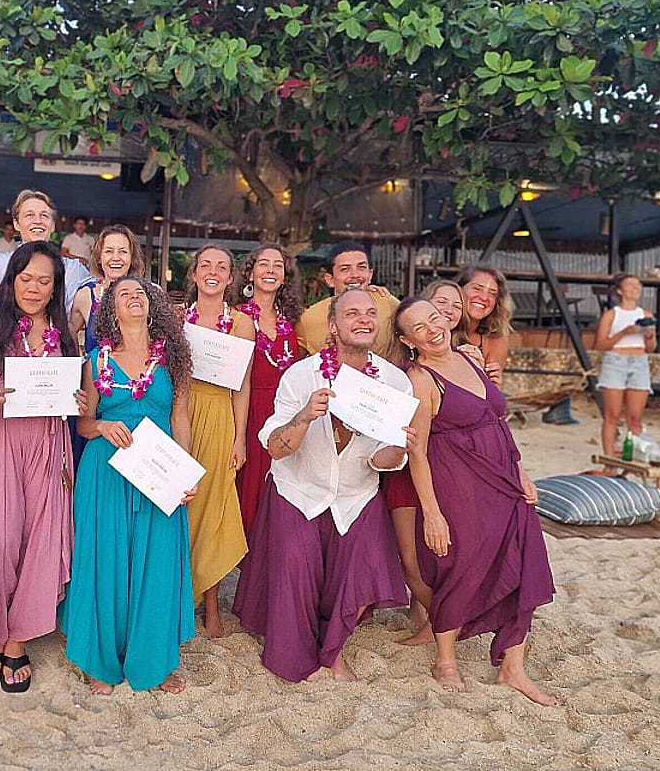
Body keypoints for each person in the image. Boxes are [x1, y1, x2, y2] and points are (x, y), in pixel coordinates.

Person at [233, 289, 410, 683]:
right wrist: (304, 416)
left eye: (369, 313)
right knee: (296, 563)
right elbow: (277, 449)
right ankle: (296, 653)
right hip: (299, 489)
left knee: (356, 571)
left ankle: (334, 651)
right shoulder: (300, 374)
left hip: (355, 493)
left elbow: (384, 461)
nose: (363, 320)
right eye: (352, 314)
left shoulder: (394, 383)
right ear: (333, 325)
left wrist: (398, 448)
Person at [395, 296, 557, 705]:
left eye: (434, 319)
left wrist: (520, 471)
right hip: (457, 481)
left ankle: (512, 668)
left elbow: (497, 421)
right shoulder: (420, 378)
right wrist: (431, 514)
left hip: (503, 476)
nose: (432, 329)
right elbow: (417, 452)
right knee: (462, 565)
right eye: (419, 328)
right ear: (407, 339)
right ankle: (445, 660)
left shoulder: (470, 358)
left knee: (523, 562)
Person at [0, 241, 77, 693]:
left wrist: (79, 399)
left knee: (40, 537)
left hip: (48, 442)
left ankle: (18, 638)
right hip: (0, 438)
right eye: (26, 278)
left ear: (55, 285)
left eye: (45, 280)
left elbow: (76, 386)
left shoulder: (64, 331)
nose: (34, 288)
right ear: (13, 279)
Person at [60, 277, 196, 695]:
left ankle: (153, 661)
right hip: (106, 472)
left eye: (141, 293)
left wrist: (183, 474)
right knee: (105, 564)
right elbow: (82, 424)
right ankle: (100, 661)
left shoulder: (174, 359)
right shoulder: (95, 360)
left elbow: (181, 419)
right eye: (125, 294)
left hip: (158, 472)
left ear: (153, 305)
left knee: (156, 564)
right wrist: (101, 424)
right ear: (110, 310)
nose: (135, 298)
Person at [384, 279, 478, 645]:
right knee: (411, 559)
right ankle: (445, 621)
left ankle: (441, 624)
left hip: (449, 472)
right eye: (440, 304)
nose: (448, 312)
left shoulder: (469, 359)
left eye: (453, 307)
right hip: (407, 467)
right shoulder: (403, 371)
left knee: (446, 556)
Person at [181, 245, 251, 637]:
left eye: (221, 267)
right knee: (182, 505)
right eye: (205, 264)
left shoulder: (241, 324)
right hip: (181, 414)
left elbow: (242, 385)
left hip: (220, 414)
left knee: (213, 503)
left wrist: (239, 437)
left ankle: (210, 601)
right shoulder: (176, 319)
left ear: (229, 278)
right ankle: (179, 594)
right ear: (194, 274)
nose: (212, 271)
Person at [236, 243, 304, 536]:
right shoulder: (236, 317)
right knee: (249, 492)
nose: (271, 271)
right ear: (250, 274)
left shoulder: (296, 321)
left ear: (285, 277)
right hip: (249, 411)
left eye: (278, 266)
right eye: (263, 264)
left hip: (286, 413)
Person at [0, 190, 94, 304]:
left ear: (52, 225)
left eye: (44, 215)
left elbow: (99, 297)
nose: (38, 221)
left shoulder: (73, 269)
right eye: (29, 215)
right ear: (17, 224)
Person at [296, 240, 398, 356]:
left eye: (361, 267)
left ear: (370, 276)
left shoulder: (389, 305)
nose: (355, 275)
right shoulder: (309, 319)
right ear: (330, 280)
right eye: (345, 269)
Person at [596, 274, 657, 455]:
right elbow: (601, 344)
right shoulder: (612, 314)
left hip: (639, 361)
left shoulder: (645, 314)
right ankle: (609, 458)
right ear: (620, 291)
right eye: (630, 285)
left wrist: (648, 335)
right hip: (616, 361)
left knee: (635, 418)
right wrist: (625, 332)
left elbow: (650, 347)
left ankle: (633, 454)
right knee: (612, 416)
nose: (635, 288)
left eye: (637, 285)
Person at [68, 224, 145, 353]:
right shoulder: (85, 296)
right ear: (99, 258)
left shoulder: (148, 294)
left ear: (132, 258)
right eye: (109, 251)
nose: (115, 258)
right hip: (94, 372)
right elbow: (68, 332)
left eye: (123, 252)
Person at [454, 263, 511, 385]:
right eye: (477, 288)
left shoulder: (495, 339)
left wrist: (492, 384)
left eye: (492, 293)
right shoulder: (437, 328)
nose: (484, 297)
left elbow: (491, 391)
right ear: (458, 289)